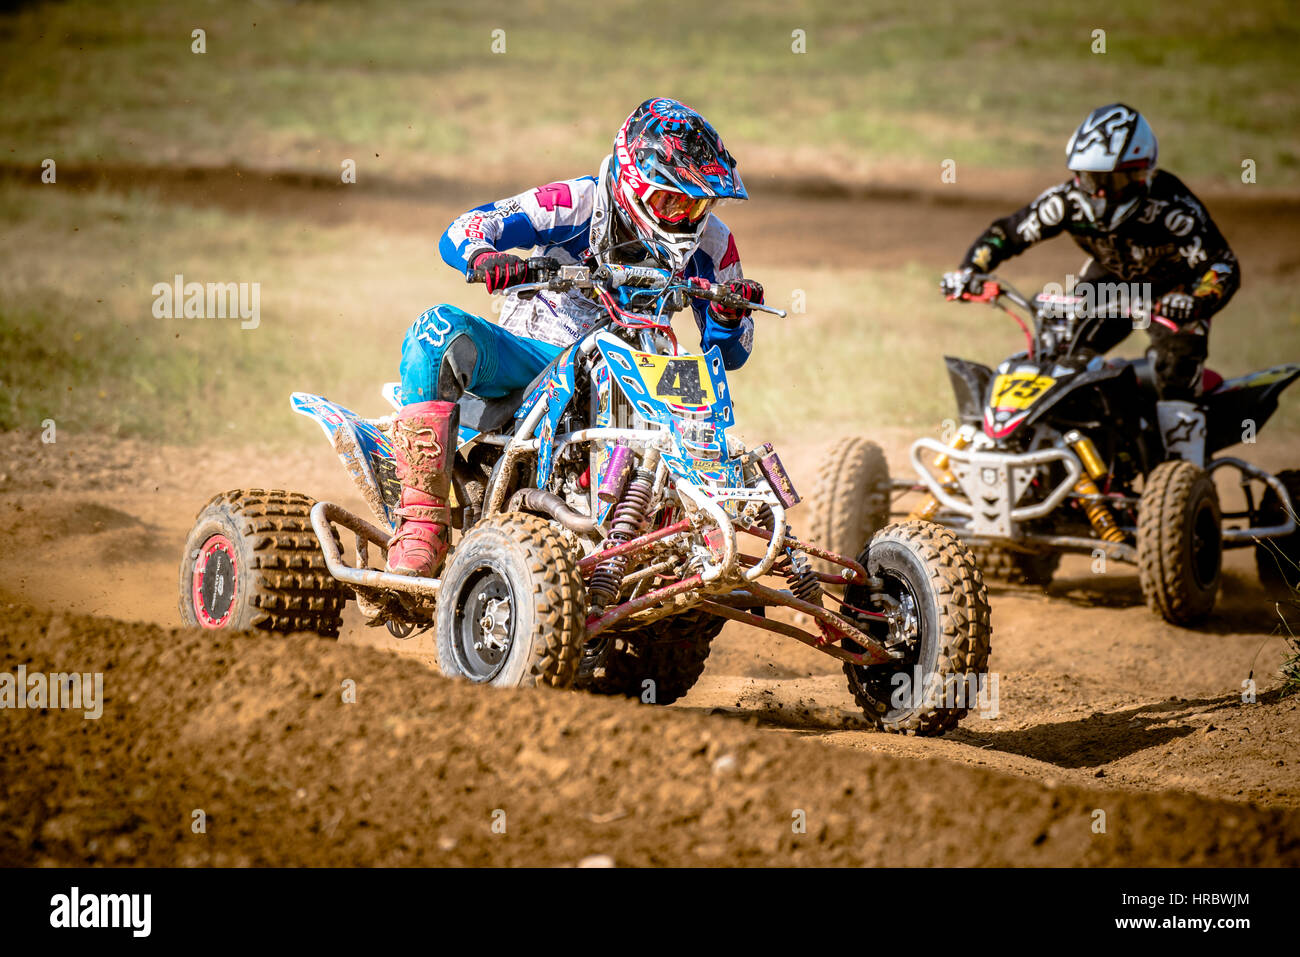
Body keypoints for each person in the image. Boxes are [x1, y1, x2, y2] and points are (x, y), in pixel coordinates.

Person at [386, 97, 763, 578]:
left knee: (709, 420)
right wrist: (484, 257)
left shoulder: (713, 242)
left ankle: (710, 529)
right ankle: (422, 523)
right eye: (672, 200)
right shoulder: (576, 202)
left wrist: (729, 317)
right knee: (435, 328)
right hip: (539, 357)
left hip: (644, 368)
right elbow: (468, 225)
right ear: (633, 184)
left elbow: (728, 354)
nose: (685, 216)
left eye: (698, 203)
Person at [941, 103, 1240, 458]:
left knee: (1175, 373)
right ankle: (1059, 455)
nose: (1096, 192)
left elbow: (1221, 265)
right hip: (1110, 281)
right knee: (1061, 355)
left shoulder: (1174, 209)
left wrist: (1196, 300)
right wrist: (970, 271)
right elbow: (1007, 234)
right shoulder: (1067, 201)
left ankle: (1183, 477)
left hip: (1174, 291)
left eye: (1109, 181)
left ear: (1140, 175)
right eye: (1087, 177)